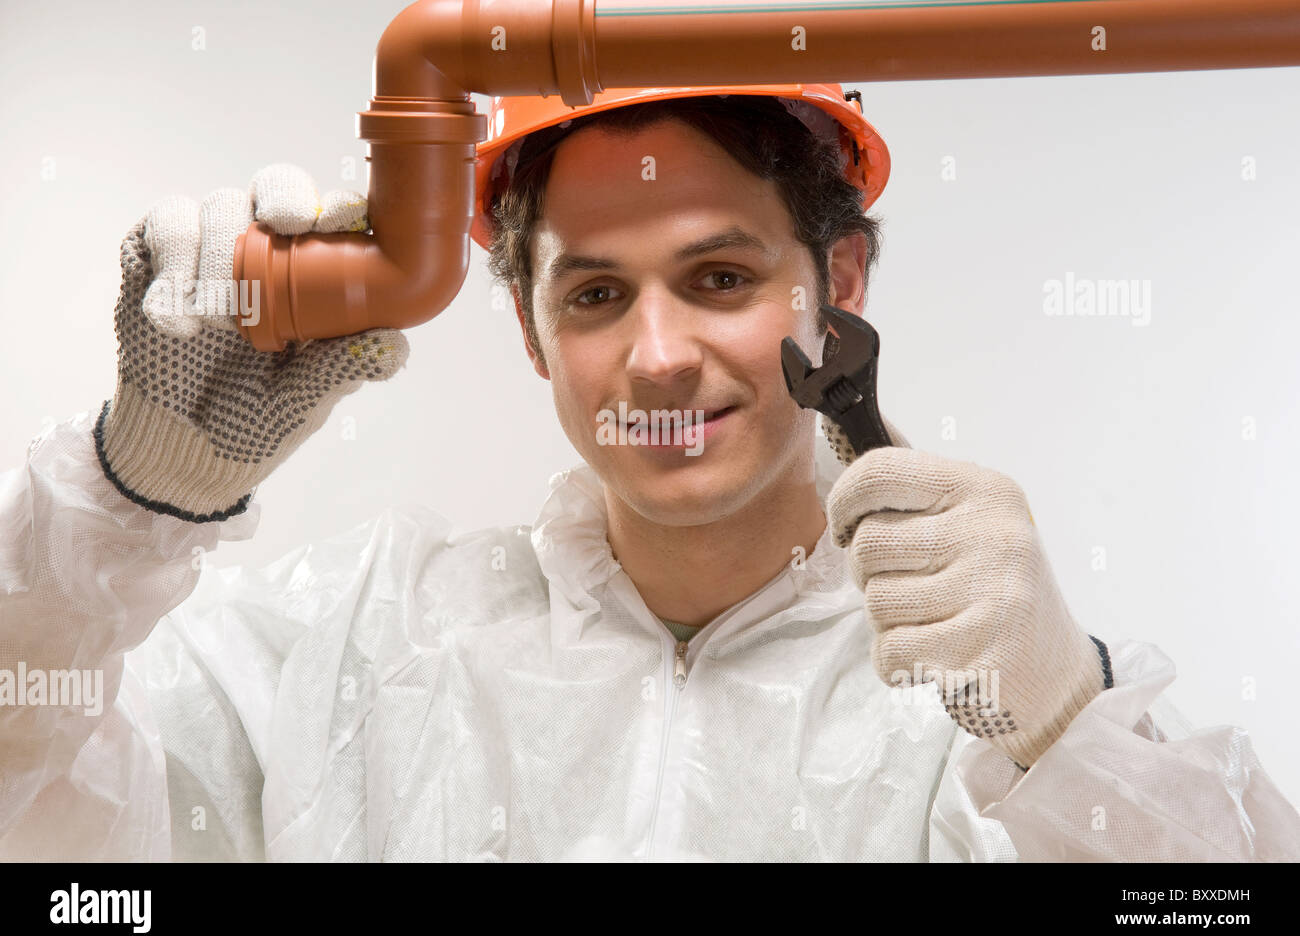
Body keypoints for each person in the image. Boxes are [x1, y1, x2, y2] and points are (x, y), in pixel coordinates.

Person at [0, 84, 1296, 862]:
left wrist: (1066, 722)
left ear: (835, 286)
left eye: (720, 279)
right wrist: (132, 502)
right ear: (527, 328)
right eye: (598, 293)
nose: (659, 357)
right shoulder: (354, 640)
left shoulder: (980, 687)